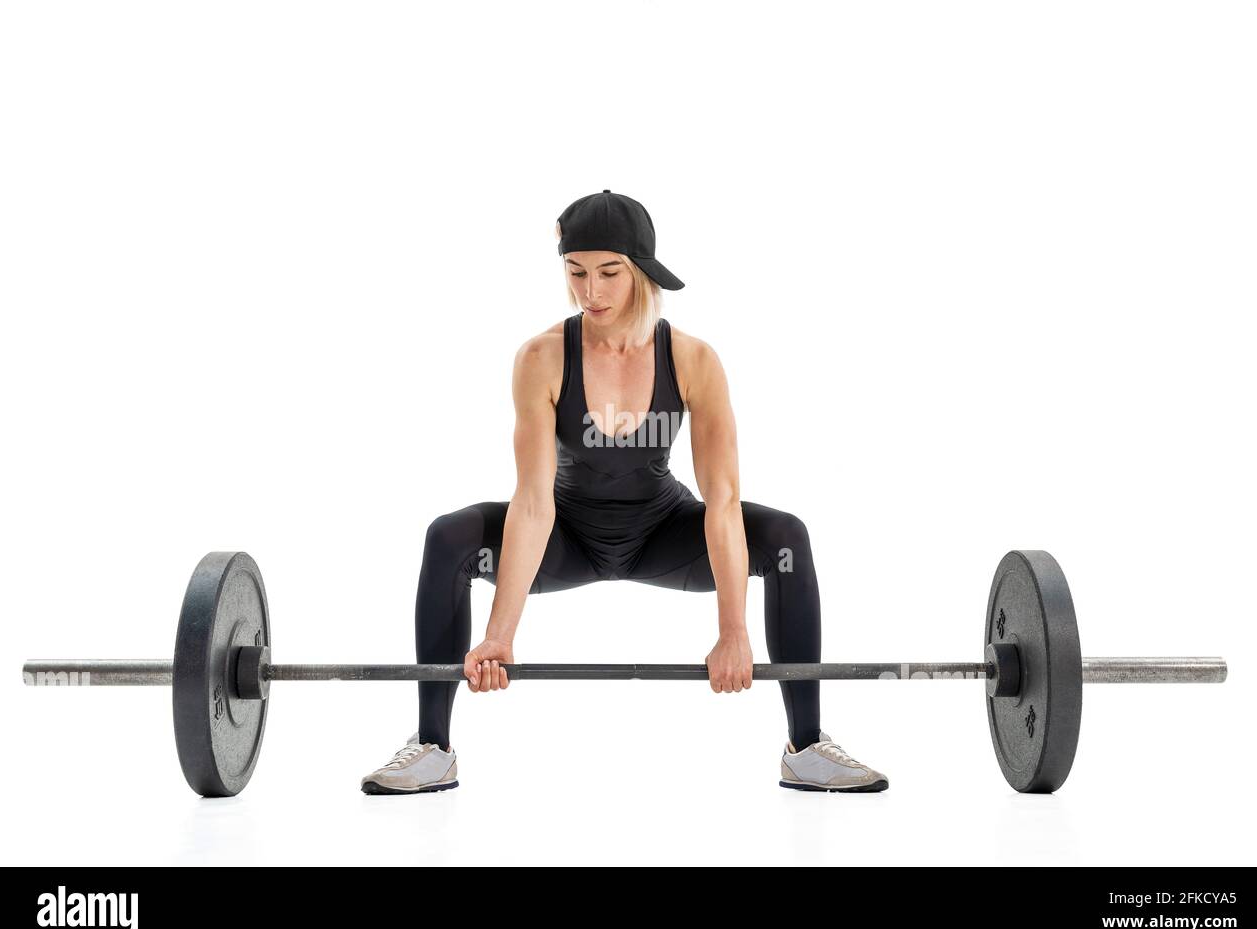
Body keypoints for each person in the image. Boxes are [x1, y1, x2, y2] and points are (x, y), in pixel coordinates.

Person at [361, 189, 888, 795]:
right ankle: (433, 746)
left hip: (665, 535)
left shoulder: (692, 359)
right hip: (566, 537)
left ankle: (806, 745)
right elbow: (533, 502)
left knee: (785, 537)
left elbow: (722, 499)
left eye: (609, 272)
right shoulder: (541, 357)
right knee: (449, 535)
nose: (592, 291)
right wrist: (501, 635)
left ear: (641, 270)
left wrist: (733, 631)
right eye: (575, 271)